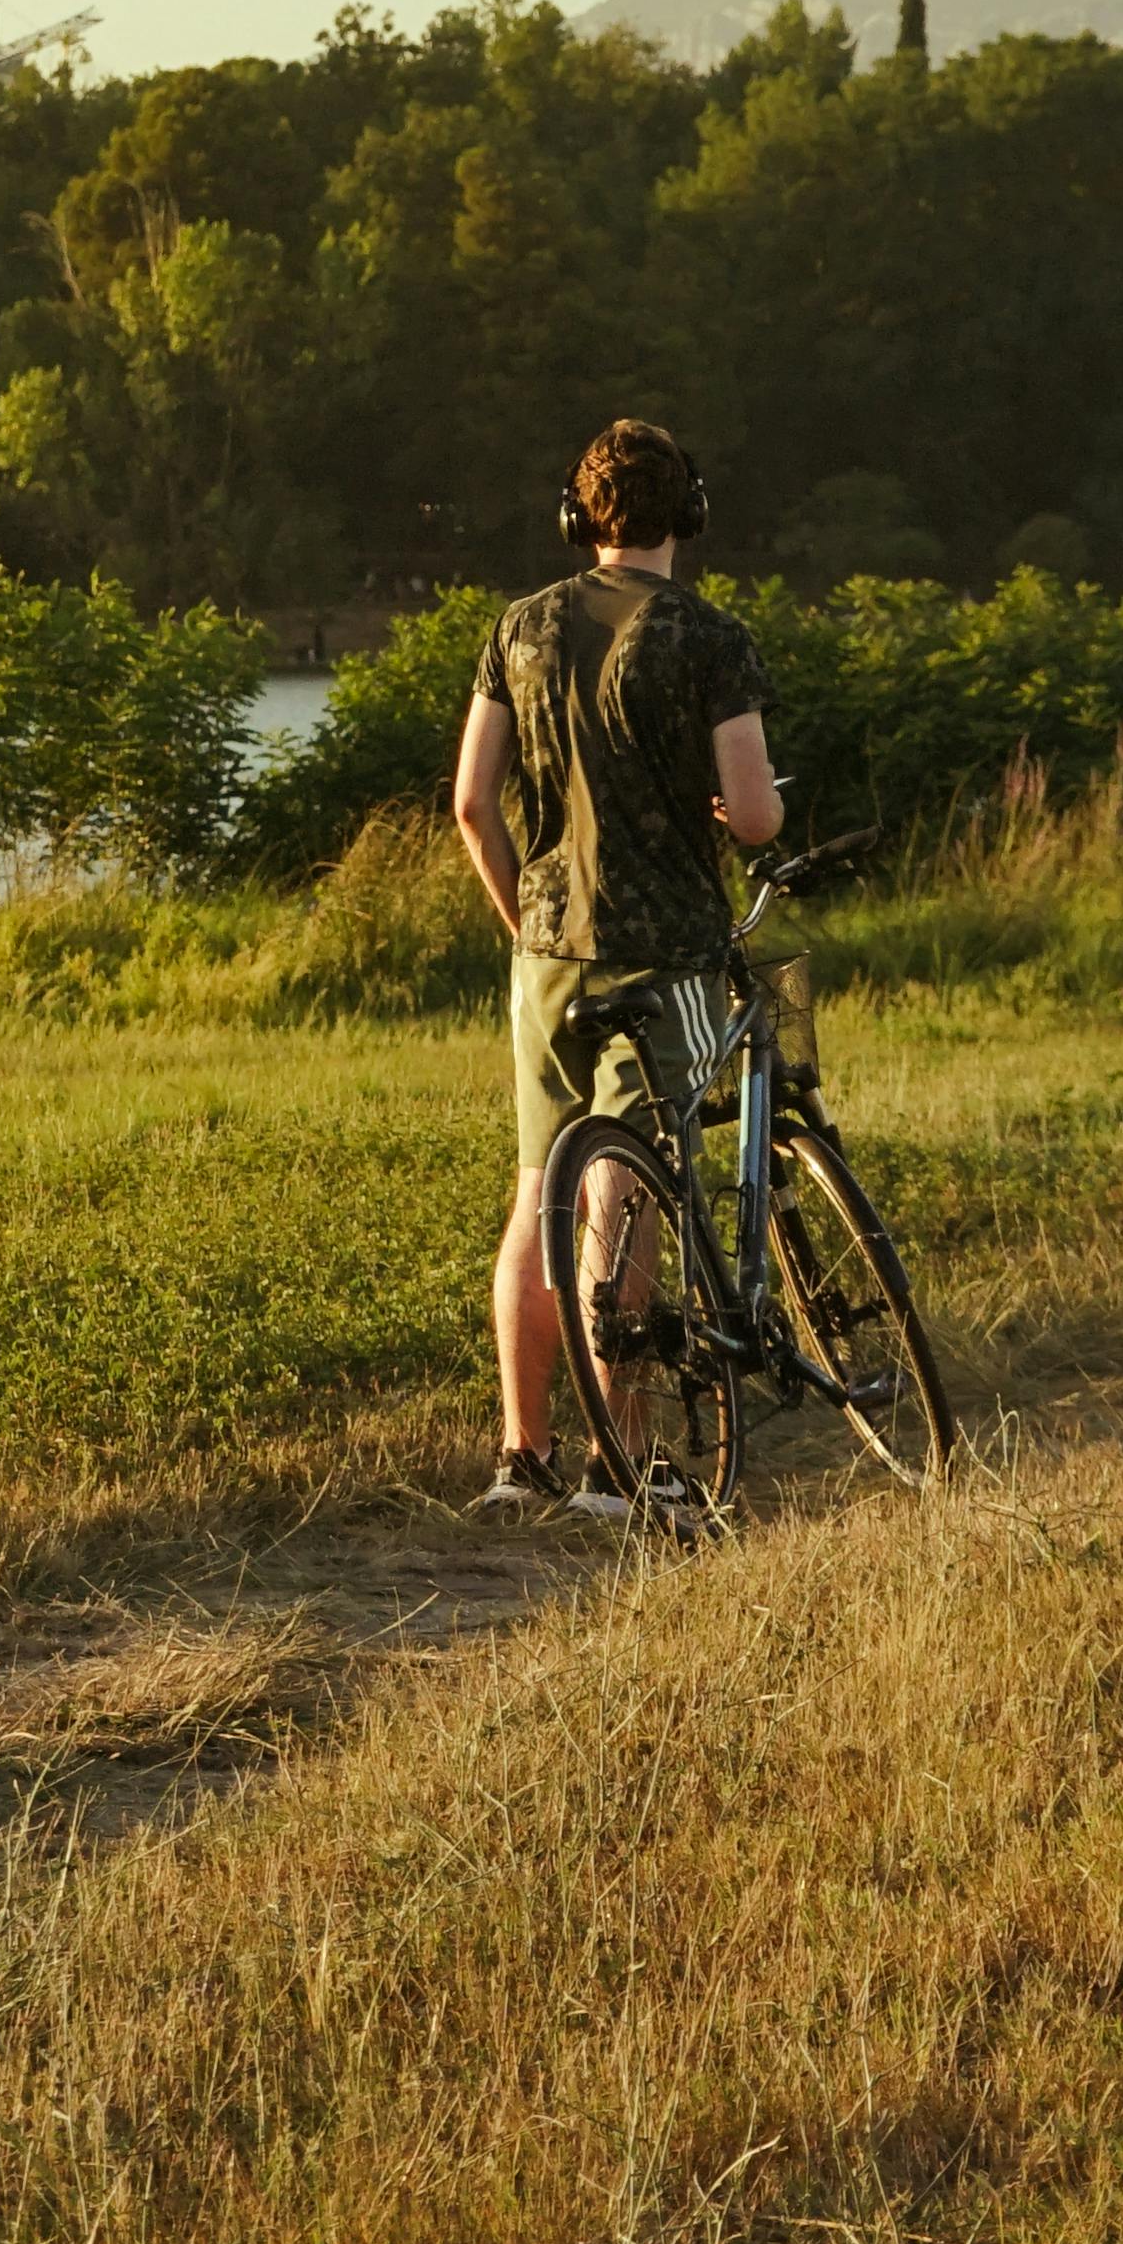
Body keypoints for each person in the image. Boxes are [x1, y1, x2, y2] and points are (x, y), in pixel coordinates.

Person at [449, 419, 784, 1517]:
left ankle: (523, 1455)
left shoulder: (521, 626)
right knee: (622, 1194)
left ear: (577, 516)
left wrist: (525, 917)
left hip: (546, 953)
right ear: (690, 511)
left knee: (537, 1193)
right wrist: (740, 811)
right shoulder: (709, 636)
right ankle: (621, 1461)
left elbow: (471, 804)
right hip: (664, 952)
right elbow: (755, 817)